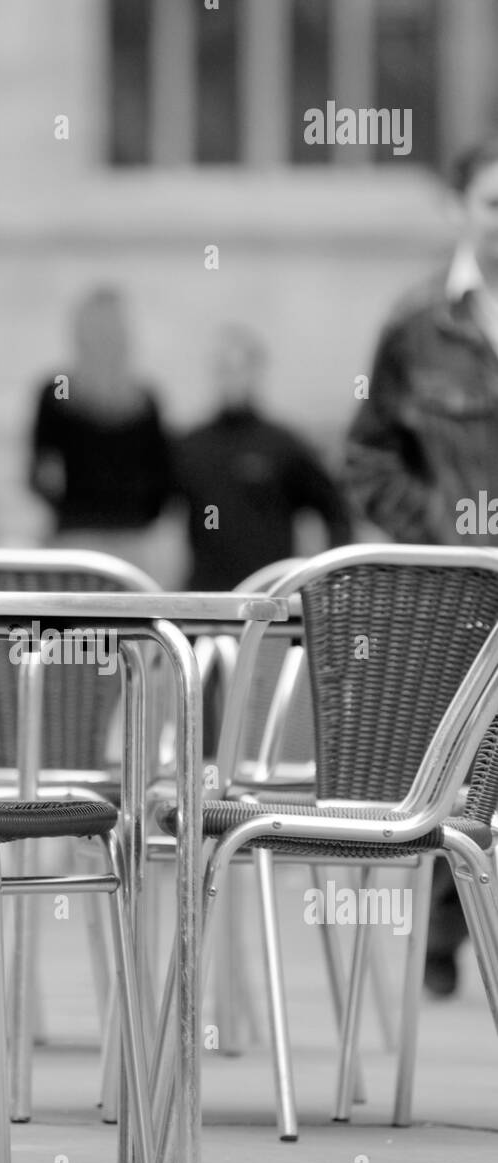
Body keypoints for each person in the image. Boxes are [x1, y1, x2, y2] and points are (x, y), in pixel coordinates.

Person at [346, 132, 498, 996]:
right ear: (460, 209)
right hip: (463, 592)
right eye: (494, 203)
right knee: (461, 774)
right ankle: (444, 932)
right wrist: (435, 529)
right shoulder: (416, 327)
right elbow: (367, 458)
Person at [176, 324, 352, 593]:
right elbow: (149, 507)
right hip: (206, 598)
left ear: (256, 371)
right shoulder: (190, 446)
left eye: (241, 368)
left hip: (271, 599)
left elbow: (335, 510)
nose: (233, 378)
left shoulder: (283, 445)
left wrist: (334, 580)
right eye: (225, 368)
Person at [28, 286, 175, 581]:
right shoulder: (144, 399)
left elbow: (41, 476)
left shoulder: (57, 391)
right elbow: (161, 484)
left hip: (76, 538)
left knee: (75, 628)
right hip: (132, 541)